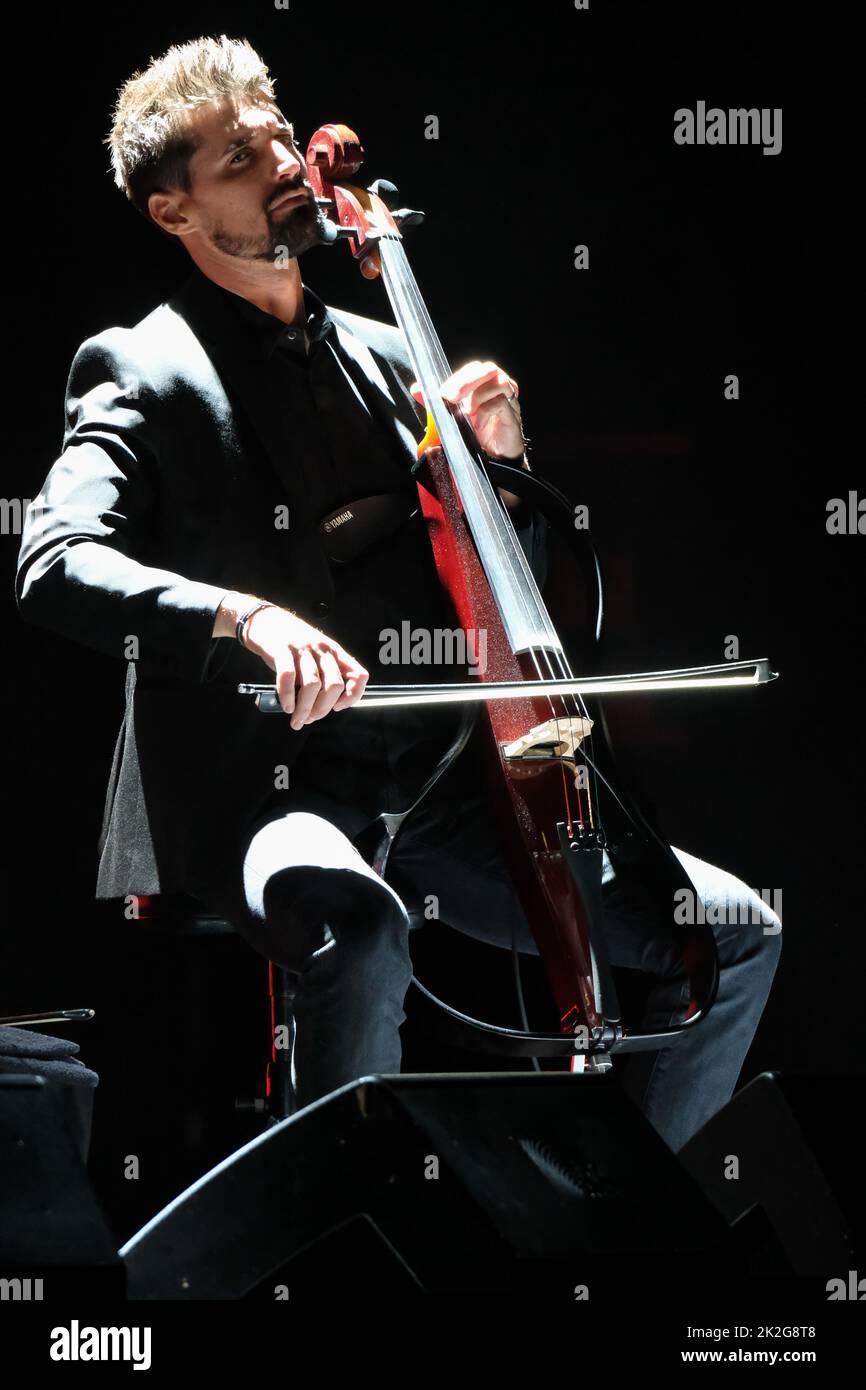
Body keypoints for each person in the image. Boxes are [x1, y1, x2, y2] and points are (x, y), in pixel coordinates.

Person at [15, 35, 780, 1153]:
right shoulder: (143, 365)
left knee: (737, 931)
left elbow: (484, 590)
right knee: (360, 924)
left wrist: (496, 473)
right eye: (241, 156)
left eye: (280, 133)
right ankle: (341, 1224)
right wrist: (245, 616)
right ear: (174, 212)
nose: (282, 159)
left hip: (442, 790)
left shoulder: (388, 357)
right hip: (266, 796)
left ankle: (633, 1224)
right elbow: (55, 560)